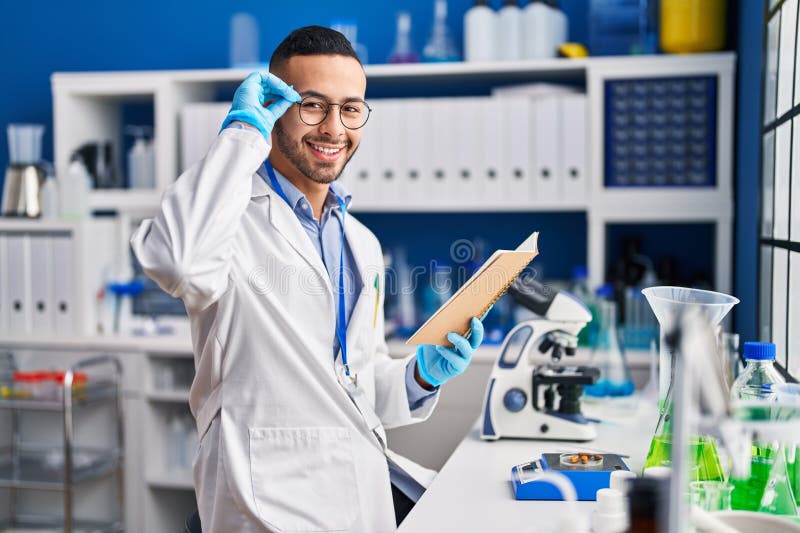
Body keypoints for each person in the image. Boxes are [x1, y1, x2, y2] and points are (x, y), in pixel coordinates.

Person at [131, 26, 485, 533]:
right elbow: (179, 263)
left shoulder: (360, 241)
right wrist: (241, 133)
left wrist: (421, 375)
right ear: (275, 108)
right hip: (262, 505)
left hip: (358, 497)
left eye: (350, 108)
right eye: (313, 105)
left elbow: (354, 383)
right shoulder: (227, 217)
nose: (334, 128)